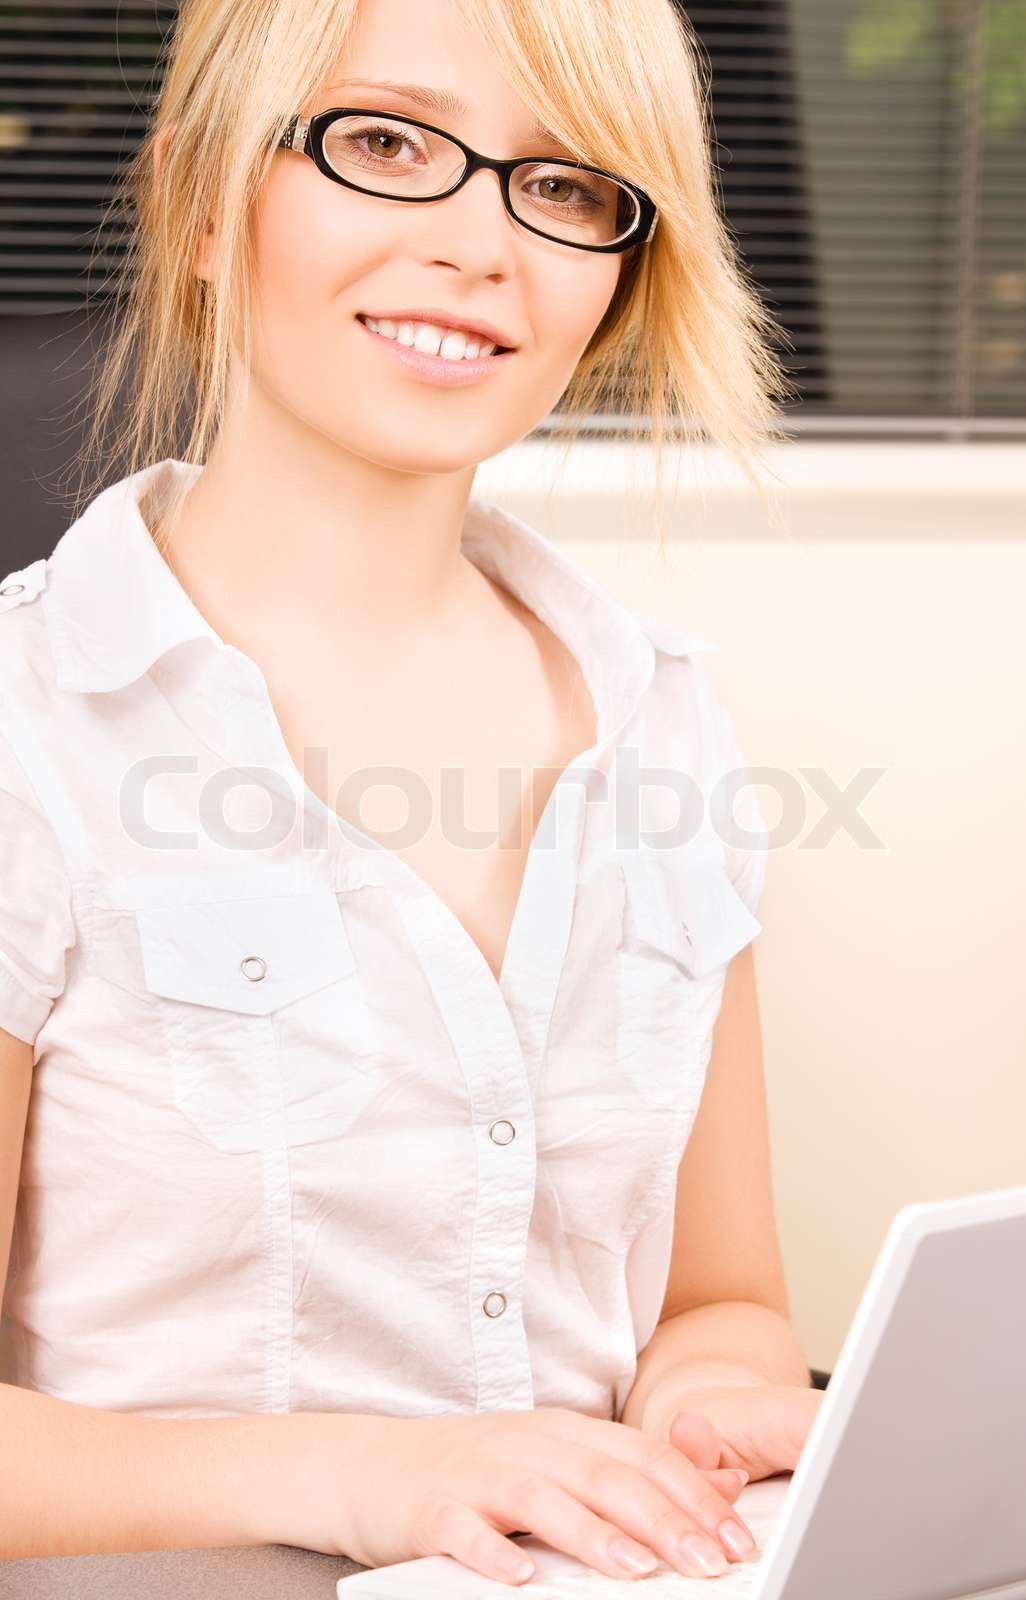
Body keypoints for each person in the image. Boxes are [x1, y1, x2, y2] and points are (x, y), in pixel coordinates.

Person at [0, 0, 822, 1575]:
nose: (479, 245)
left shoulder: (662, 721)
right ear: (198, 205)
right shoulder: (28, 729)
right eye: (383, 144)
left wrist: (715, 1404)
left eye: (568, 186)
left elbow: (723, 1300)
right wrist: (375, 1481)